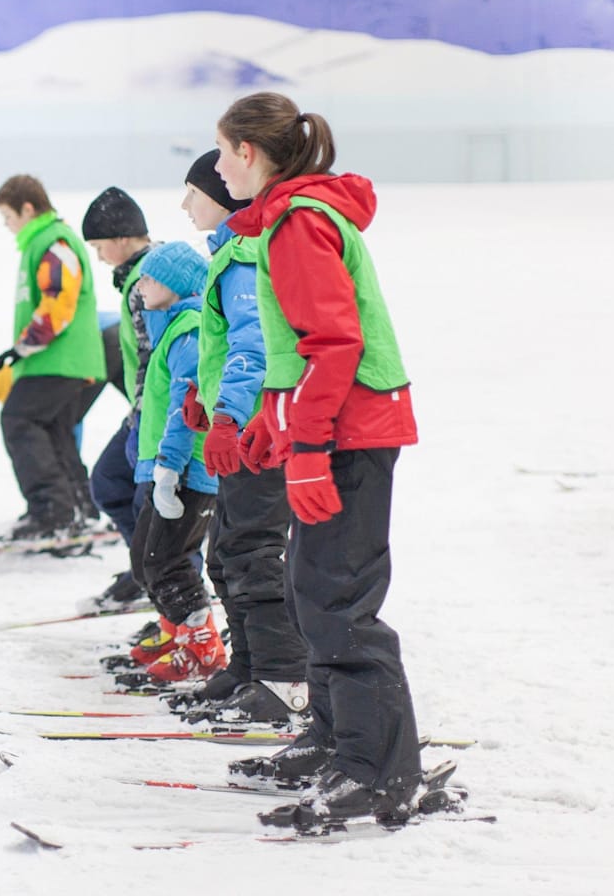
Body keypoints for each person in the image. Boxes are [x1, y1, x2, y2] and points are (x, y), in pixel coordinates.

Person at [211, 91, 424, 828]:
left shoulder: (299, 222)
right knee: (312, 590)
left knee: (340, 599)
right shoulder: (285, 221)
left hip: (354, 433)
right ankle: (335, 742)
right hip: (338, 426)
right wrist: (275, 424)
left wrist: (306, 447)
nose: (215, 167)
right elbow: (291, 349)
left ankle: (381, 772)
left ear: (247, 152)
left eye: (221, 151)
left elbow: (335, 346)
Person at [176, 149, 308, 725]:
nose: (185, 205)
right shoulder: (228, 254)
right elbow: (227, 346)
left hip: (260, 433)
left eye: (194, 192)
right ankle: (252, 667)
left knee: (253, 551)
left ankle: (284, 677)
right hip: (240, 428)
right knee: (227, 551)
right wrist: (204, 399)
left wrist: (228, 413)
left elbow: (254, 347)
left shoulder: (245, 259)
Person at [115, 241, 226, 686]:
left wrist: (169, 466)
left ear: (176, 284)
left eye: (151, 279)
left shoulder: (188, 332)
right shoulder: (170, 327)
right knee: (147, 560)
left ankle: (202, 648)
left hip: (184, 471)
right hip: (164, 467)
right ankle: (174, 633)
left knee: (166, 561)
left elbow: (186, 407)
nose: (140, 286)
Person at [0, 174, 106, 540]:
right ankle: (79, 508)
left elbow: (58, 300)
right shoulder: (42, 243)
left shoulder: (53, 242)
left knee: (19, 421)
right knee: (55, 431)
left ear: (28, 208)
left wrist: (25, 345)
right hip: (62, 360)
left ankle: (52, 512)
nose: (8, 227)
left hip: (58, 359)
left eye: (9, 217)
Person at [77, 187, 154, 613]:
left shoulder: (150, 280)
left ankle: (168, 581)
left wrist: (146, 415)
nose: (99, 254)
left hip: (158, 416)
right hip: (143, 411)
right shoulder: (132, 278)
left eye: (99, 244)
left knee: (156, 506)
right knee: (108, 483)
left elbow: (155, 355)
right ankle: (144, 568)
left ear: (122, 236)